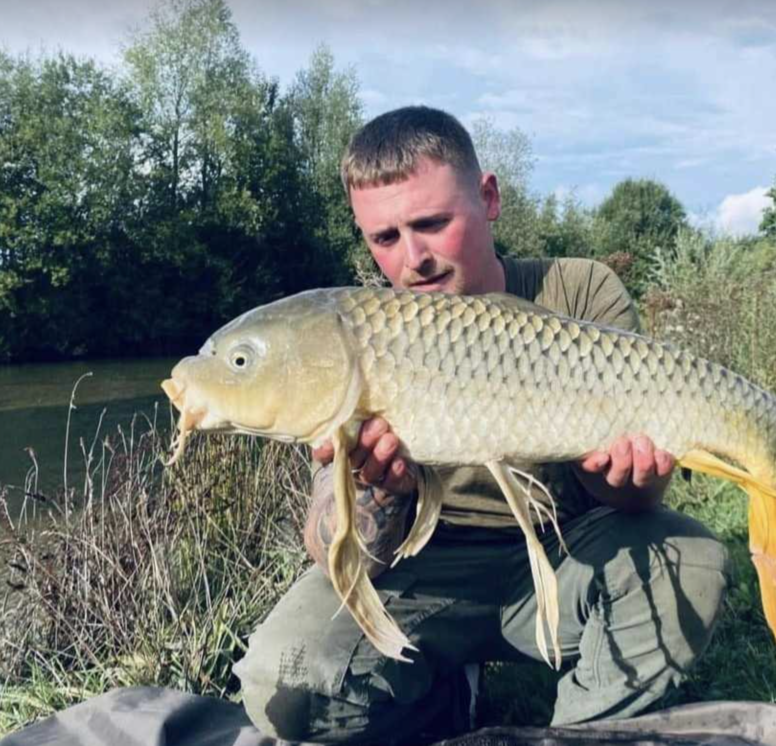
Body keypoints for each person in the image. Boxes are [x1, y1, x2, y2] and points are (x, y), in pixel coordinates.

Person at [232, 106, 730, 745]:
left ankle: (579, 731)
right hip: (425, 573)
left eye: (434, 223)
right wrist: (380, 490)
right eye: (386, 239)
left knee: (689, 561)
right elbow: (339, 552)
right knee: (284, 682)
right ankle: (442, 699)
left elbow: (638, 499)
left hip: (563, 556)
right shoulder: (353, 333)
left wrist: (624, 475)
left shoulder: (577, 292)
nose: (415, 260)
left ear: (488, 198)